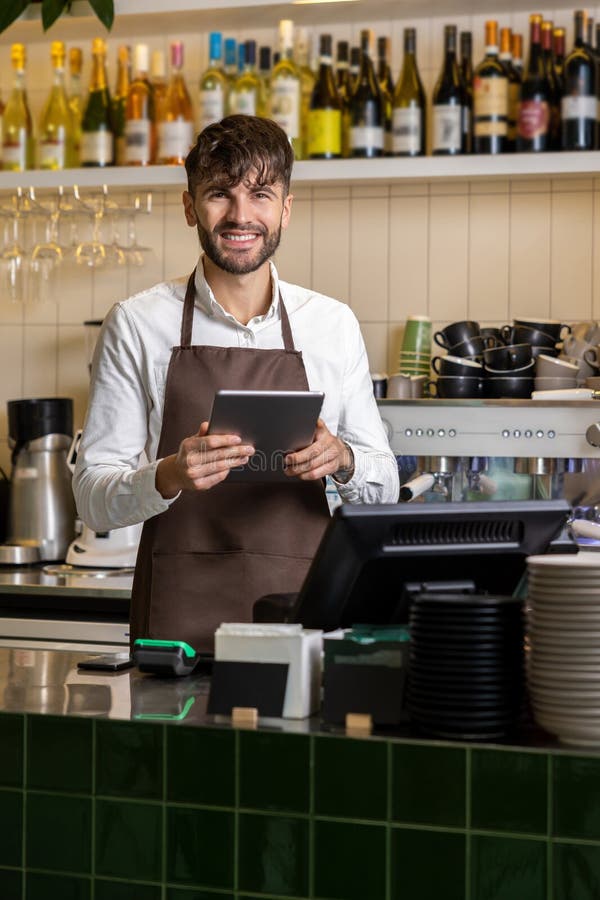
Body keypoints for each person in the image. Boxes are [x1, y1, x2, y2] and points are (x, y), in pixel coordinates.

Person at [73, 114, 399, 650]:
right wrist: (170, 474)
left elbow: (384, 486)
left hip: (307, 626)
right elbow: (92, 498)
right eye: (220, 194)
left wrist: (343, 461)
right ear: (189, 206)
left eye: (261, 195)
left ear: (286, 209)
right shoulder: (136, 323)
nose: (240, 215)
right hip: (176, 632)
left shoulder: (332, 325)